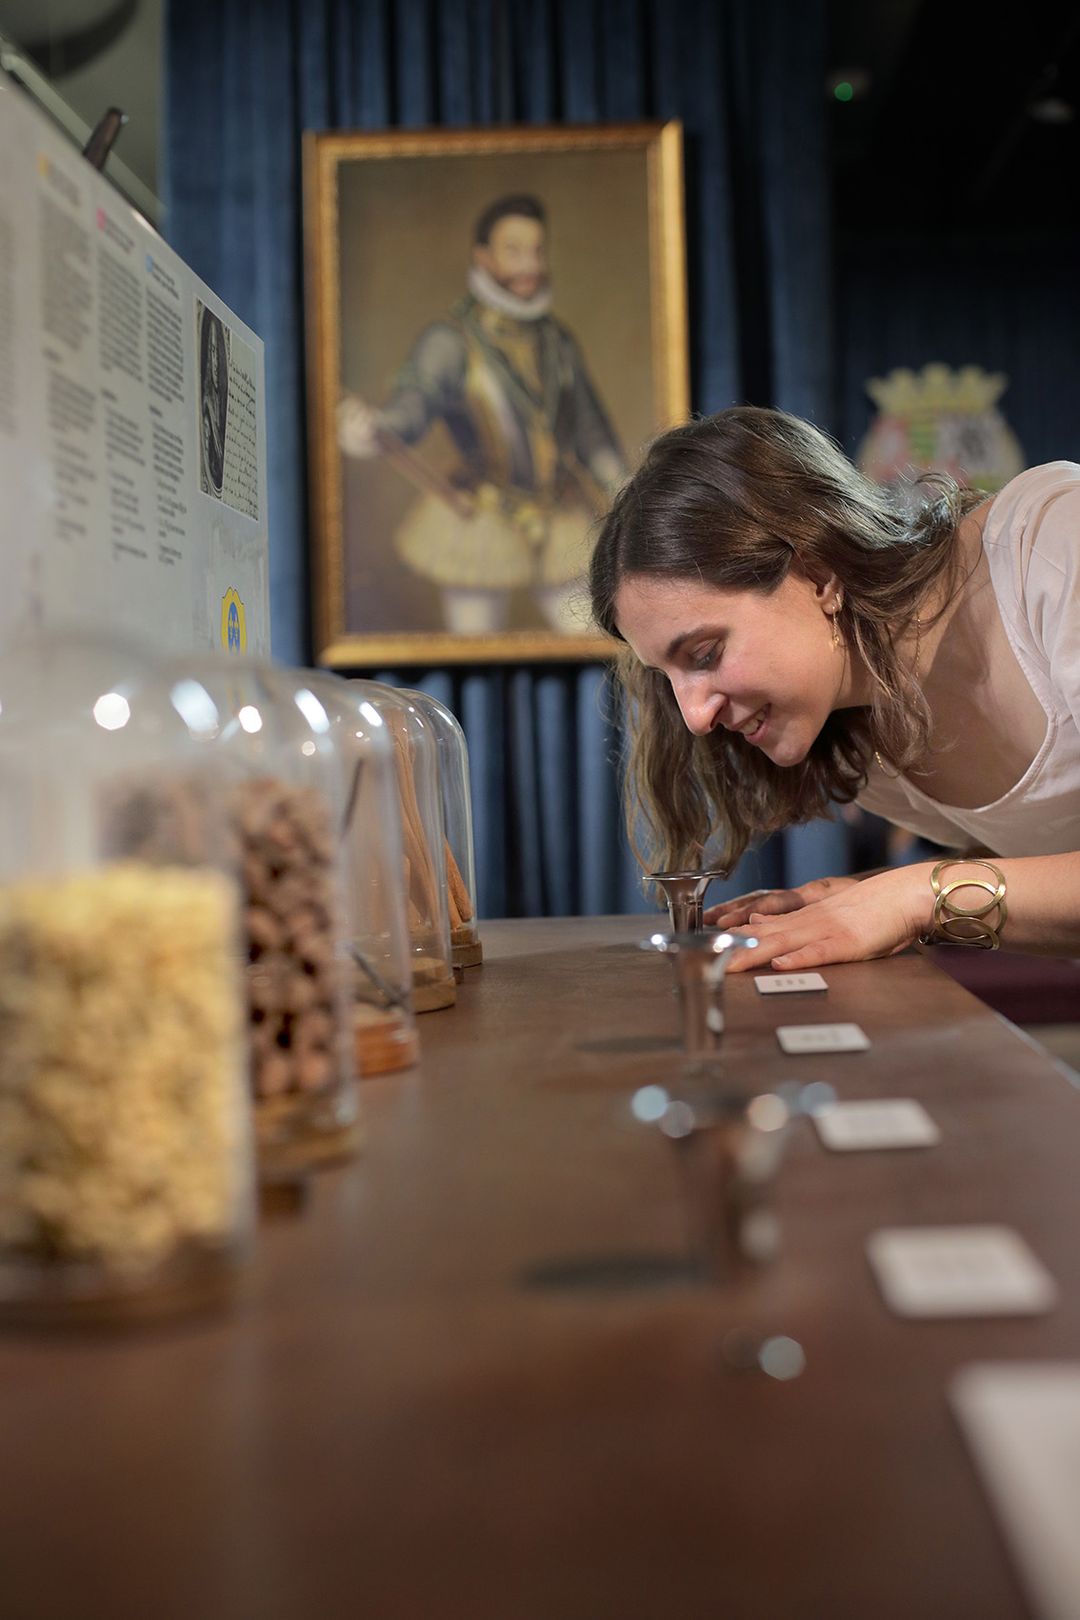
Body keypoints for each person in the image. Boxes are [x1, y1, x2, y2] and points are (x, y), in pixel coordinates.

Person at [589, 406, 1080, 970]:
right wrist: (864, 898)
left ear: (819, 574)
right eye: (666, 677)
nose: (695, 716)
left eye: (705, 654)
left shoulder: (1053, 546)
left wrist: (916, 896)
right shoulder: (860, 736)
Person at [339, 193, 626, 636]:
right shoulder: (449, 342)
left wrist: (623, 486)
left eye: (536, 250)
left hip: (558, 514)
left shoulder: (557, 342)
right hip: (483, 515)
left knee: (597, 646)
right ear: (483, 257)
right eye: (514, 251)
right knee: (474, 647)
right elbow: (412, 408)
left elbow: (590, 430)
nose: (529, 265)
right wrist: (376, 429)